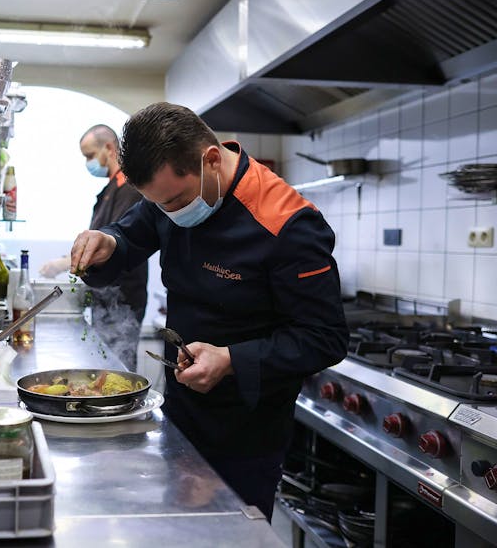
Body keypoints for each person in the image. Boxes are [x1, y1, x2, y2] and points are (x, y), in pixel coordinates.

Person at [70, 103, 348, 519]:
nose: (170, 213)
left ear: (212, 159)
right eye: (158, 204)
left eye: (177, 200)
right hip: (180, 412)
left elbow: (325, 338)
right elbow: (128, 238)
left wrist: (231, 359)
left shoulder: (287, 223)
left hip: (246, 432)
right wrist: (107, 242)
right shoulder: (169, 192)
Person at [42, 124, 148, 370]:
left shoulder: (129, 190)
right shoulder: (109, 191)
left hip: (122, 301)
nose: (88, 163)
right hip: (104, 299)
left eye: (90, 156)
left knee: (118, 372)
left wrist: (62, 264)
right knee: (104, 368)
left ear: (109, 148)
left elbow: (111, 247)